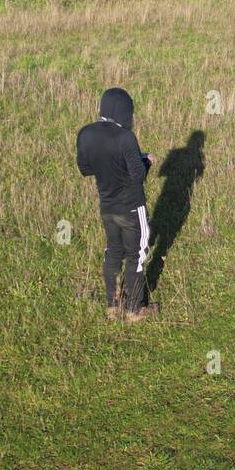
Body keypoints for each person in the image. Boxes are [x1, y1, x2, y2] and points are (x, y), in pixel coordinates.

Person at [76, 88, 157, 321]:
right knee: (136, 254)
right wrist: (145, 160)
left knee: (113, 251)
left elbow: (86, 169)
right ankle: (133, 310)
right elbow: (138, 175)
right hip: (132, 206)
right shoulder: (125, 138)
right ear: (123, 111)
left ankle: (112, 306)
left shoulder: (86, 134)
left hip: (107, 206)